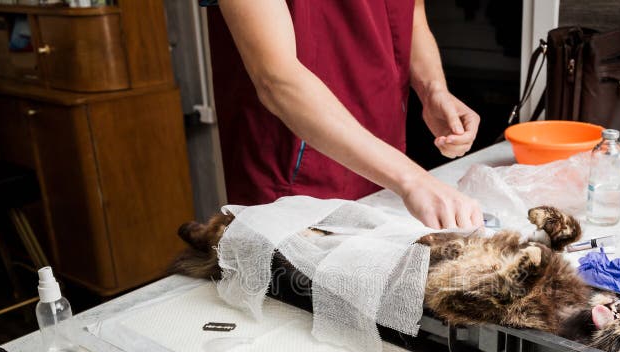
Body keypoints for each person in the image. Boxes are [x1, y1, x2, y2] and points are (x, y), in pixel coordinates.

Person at [205, 0, 483, 229]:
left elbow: (412, 12)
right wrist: (413, 180)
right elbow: (276, 80)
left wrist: (432, 89)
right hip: (292, 178)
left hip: (385, 164)